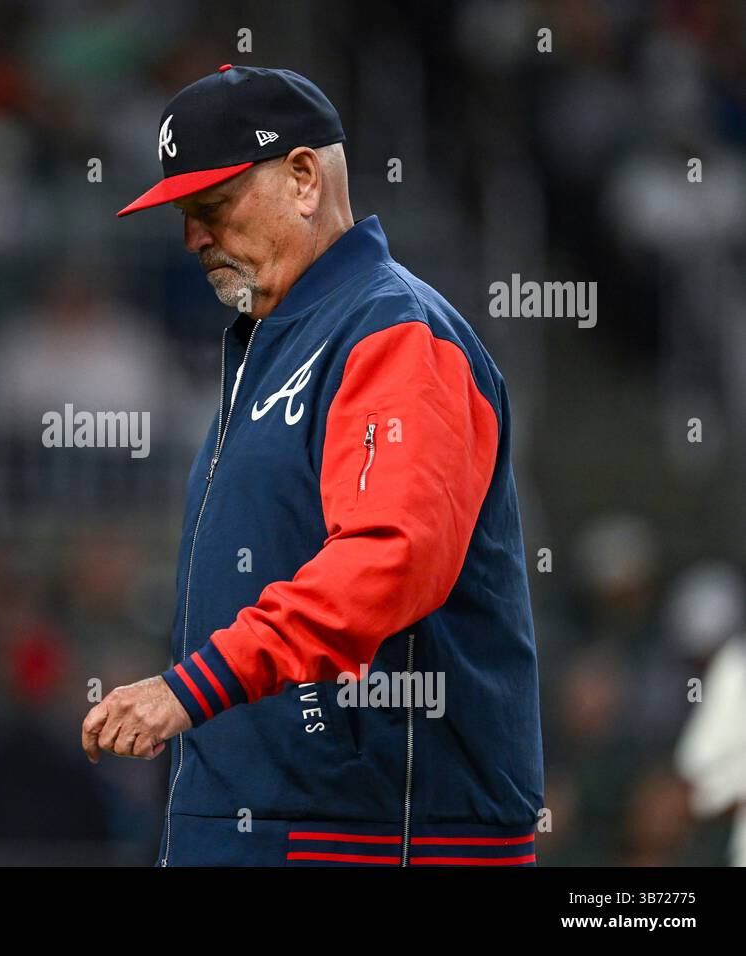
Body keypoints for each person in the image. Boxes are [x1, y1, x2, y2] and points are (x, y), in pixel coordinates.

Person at [81, 65, 544, 866]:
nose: (193, 237)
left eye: (213, 206)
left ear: (302, 178)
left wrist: (191, 688)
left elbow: (387, 561)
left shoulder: (393, 333)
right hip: (263, 825)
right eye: (185, 215)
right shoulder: (274, 342)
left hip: (370, 835)